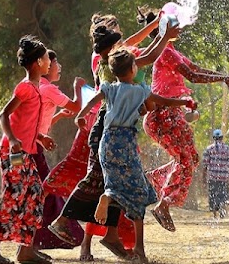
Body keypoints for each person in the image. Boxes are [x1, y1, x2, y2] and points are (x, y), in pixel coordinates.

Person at [49, 16, 178, 261]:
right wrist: (164, 35)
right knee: (98, 181)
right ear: (111, 47)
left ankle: (108, 235)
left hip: (110, 131)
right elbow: (148, 57)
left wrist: (162, 34)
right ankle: (65, 219)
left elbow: (145, 53)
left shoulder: (110, 62)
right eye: (118, 42)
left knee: (108, 184)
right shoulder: (110, 65)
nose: (123, 46)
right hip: (108, 131)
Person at [75, 48, 196, 264]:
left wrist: (81, 116)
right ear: (133, 69)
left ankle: (109, 195)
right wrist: (183, 103)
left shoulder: (109, 88)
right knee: (139, 192)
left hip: (108, 141)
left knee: (114, 183)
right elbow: (161, 101)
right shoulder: (140, 90)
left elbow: (94, 100)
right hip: (126, 142)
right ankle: (139, 249)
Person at [144, 19, 229, 232]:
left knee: (190, 159)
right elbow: (193, 76)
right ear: (164, 30)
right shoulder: (166, 52)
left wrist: (226, 78)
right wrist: (225, 78)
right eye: (174, 23)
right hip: (163, 115)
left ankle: (156, 179)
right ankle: (163, 203)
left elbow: (195, 68)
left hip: (170, 114)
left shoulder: (171, 51)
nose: (180, 26)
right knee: (187, 161)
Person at [0, 36, 55, 264]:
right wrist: (13, 138)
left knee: (35, 193)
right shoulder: (25, 88)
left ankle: (25, 251)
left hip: (25, 151)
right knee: (12, 195)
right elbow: (3, 115)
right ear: (38, 62)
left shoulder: (36, 89)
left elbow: (27, 123)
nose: (49, 62)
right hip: (13, 153)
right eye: (47, 58)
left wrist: (41, 138)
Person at [32, 51, 86, 253]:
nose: (59, 66)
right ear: (45, 66)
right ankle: (34, 240)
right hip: (32, 148)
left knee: (45, 193)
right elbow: (77, 106)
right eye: (55, 63)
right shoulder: (47, 89)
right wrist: (78, 88)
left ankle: (33, 241)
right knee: (47, 193)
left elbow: (40, 125)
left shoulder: (41, 87)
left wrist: (60, 116)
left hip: (35, 145)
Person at [202, 129, 229, 219]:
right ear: (222, 138)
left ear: (214, 138)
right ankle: (222, 211)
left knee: (213, 194)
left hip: (212, 176)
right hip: (224, 177)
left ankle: (215, 215)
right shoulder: (228, 149)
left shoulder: (209, 149)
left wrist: (203, 177)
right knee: (223, 195)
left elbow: (205, 164)